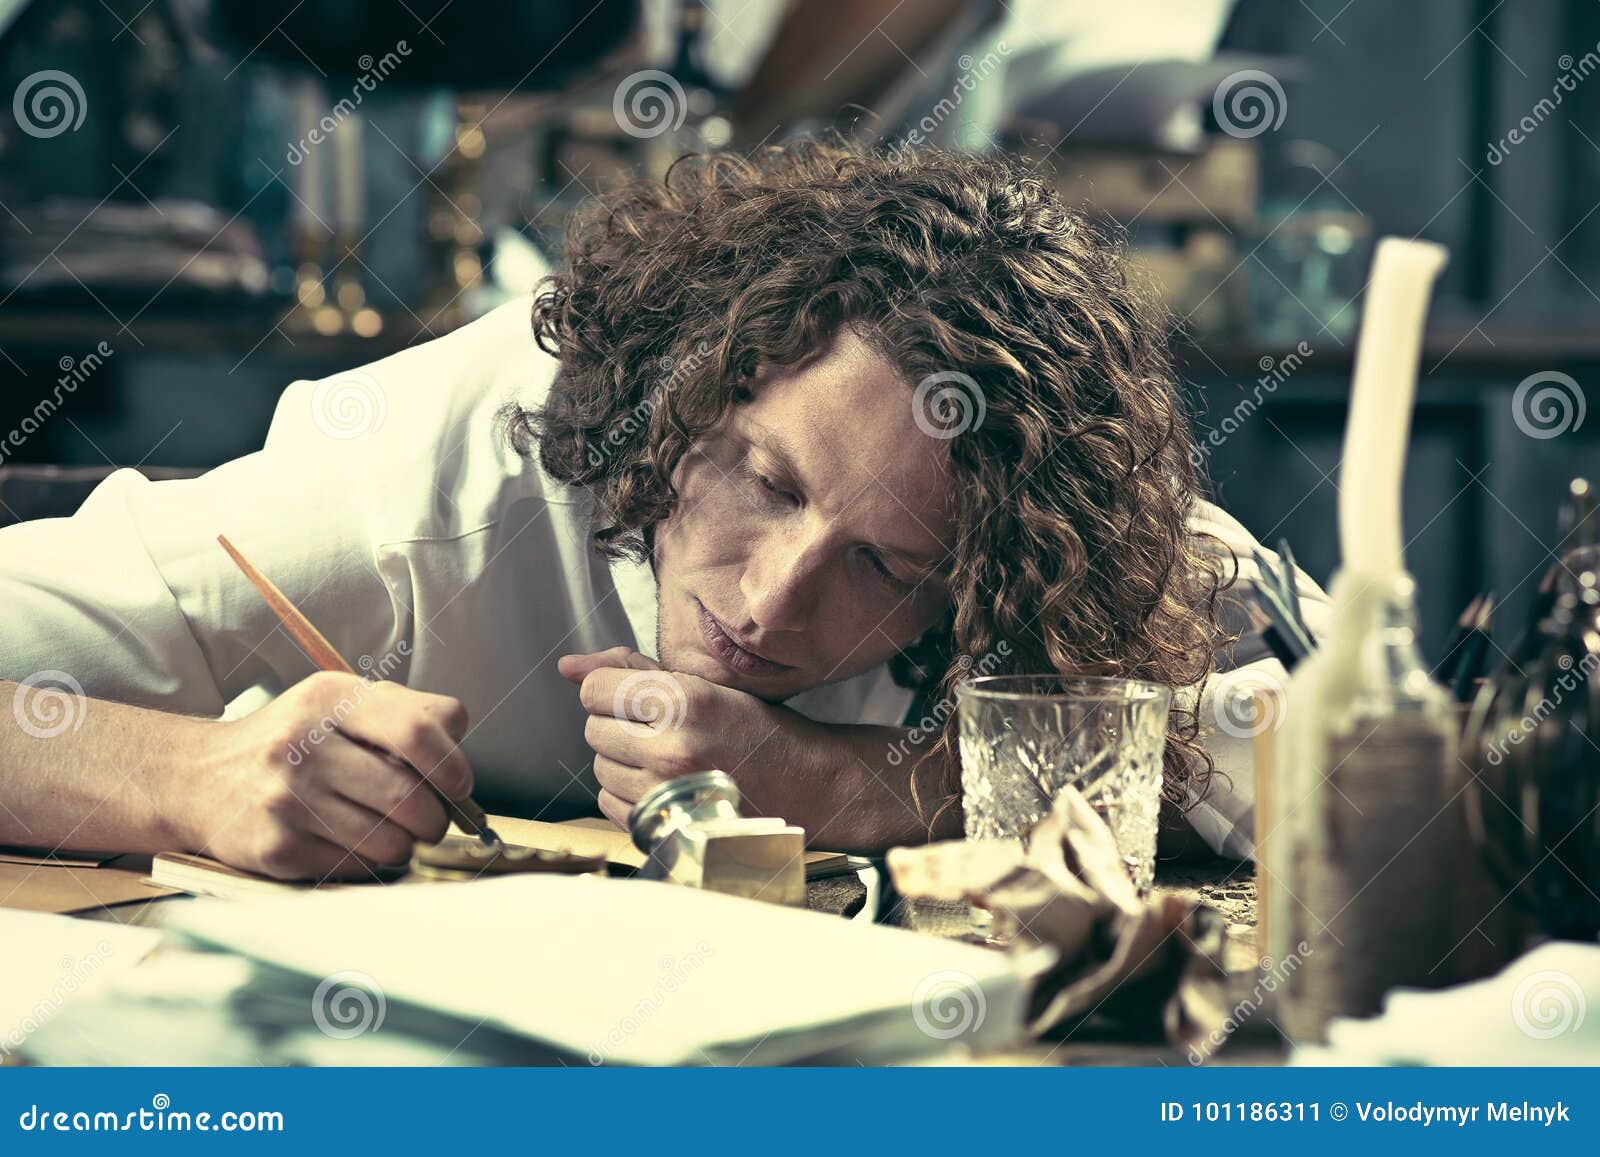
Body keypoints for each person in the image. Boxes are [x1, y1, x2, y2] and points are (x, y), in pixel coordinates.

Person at [0, 141, 1326, 881]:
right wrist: (190, 776)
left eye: (881, 564)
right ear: (695, 385)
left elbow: (1338, 759)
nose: (767, 605)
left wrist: (859, 788)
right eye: (768, 479)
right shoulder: (409, 503)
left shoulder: (1039, 537)